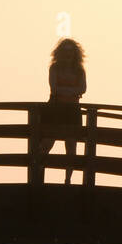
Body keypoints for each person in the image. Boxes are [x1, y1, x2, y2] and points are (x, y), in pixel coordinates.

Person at [38, 38, 87, 183]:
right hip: (55, 109)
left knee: (71, 146)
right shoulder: (55, 68)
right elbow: (54, 88)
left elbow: (83, 88)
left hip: (72, 111)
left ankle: (67, 180)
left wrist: (64, 91)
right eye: (65, 51)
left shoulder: (79, 70)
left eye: (71, 52)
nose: (68, 55)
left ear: (75, 53)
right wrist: (72, 91)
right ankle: (39, 174)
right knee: (47, 143)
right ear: (60, 53)